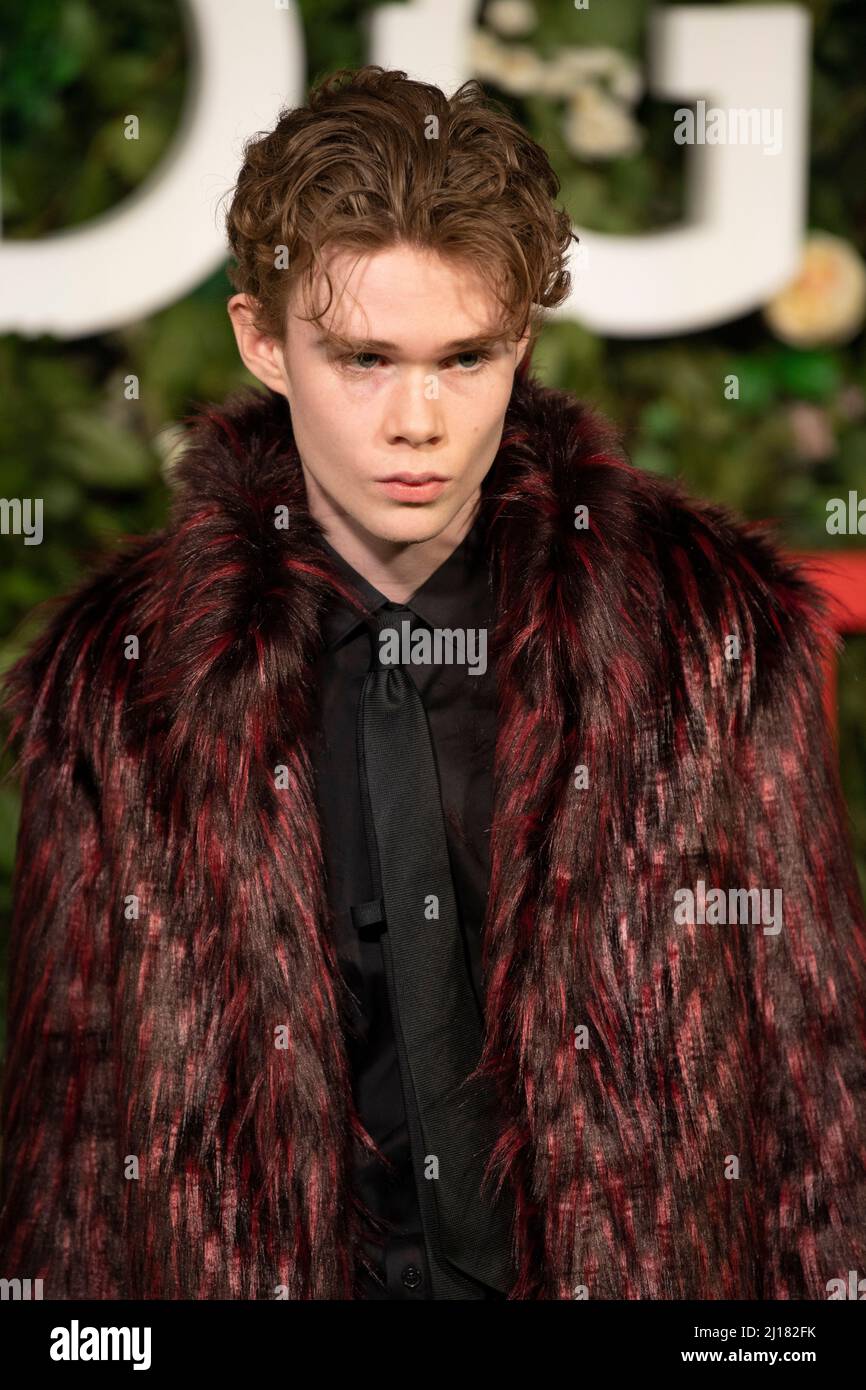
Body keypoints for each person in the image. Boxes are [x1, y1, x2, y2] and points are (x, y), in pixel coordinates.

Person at [1, 65, 864, 1301]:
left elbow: (815, 1090)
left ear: (521, 341)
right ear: (261, 341)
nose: (418, 419)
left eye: (465, 357)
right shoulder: (118, 689)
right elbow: (75, 1148)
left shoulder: (705, 639)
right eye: (362, 357)